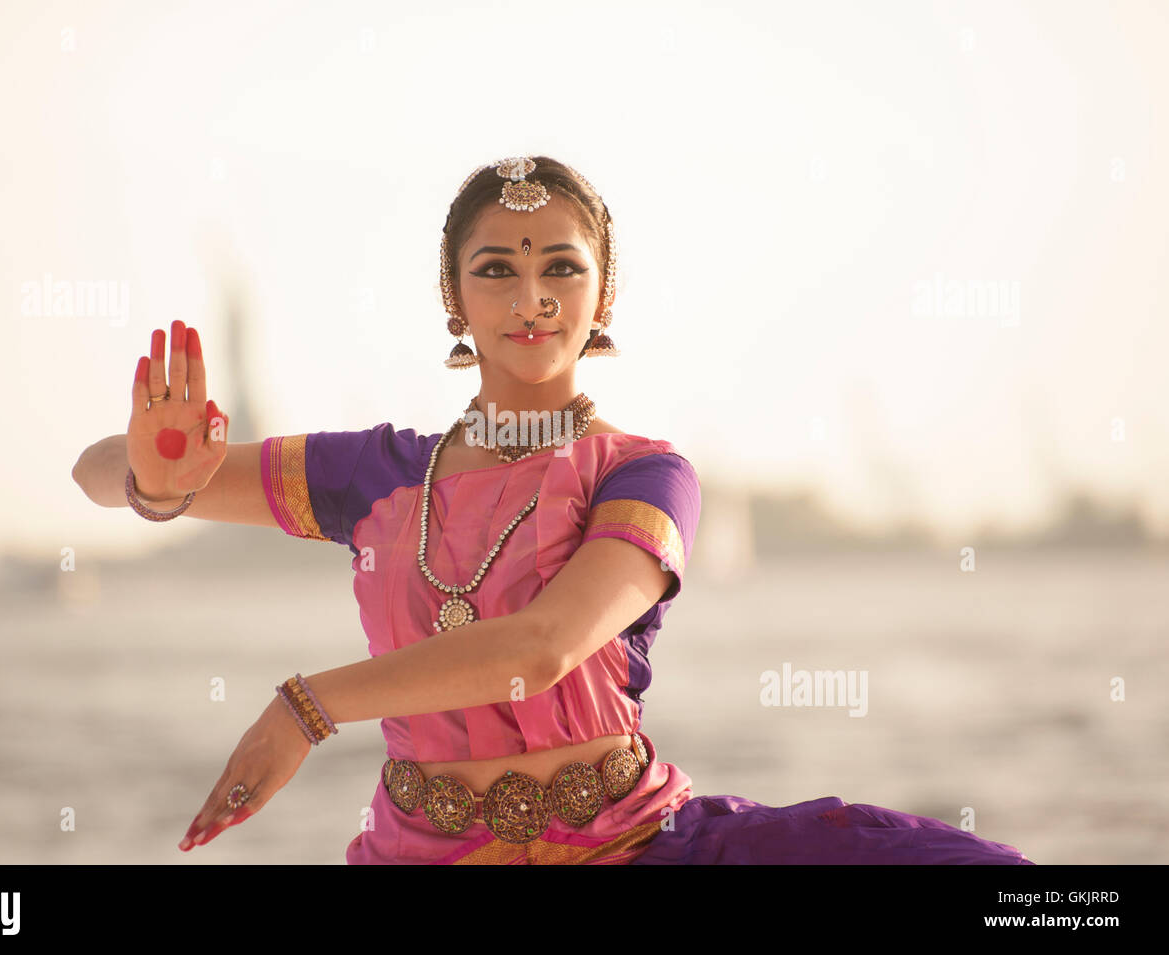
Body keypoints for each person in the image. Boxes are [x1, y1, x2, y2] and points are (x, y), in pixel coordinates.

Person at [72, 155, 1034, 865]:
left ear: (602, 291)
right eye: (495, 269)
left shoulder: (646, 475)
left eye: (561, 269)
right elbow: (94, 469)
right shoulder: (378, 476)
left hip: (633, 846)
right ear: (453, 296)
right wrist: (163, 476)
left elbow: (541, 650)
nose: (531, 298)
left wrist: (307, 708)